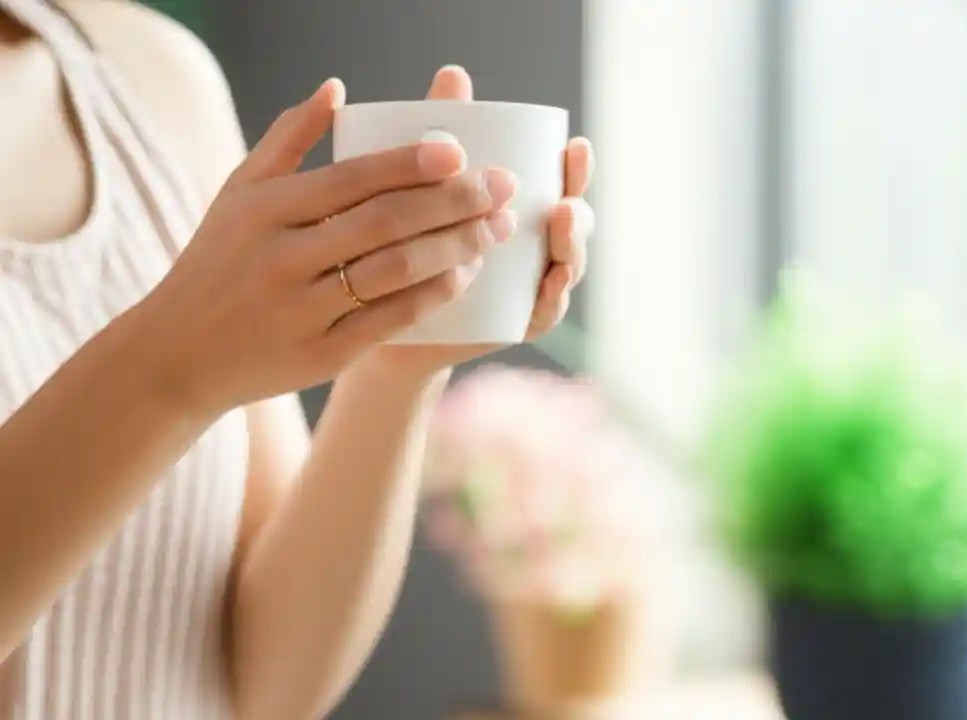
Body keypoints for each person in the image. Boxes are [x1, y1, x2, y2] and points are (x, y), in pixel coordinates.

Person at [0, 0, 595, 717]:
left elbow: (268, 687)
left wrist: (397, 358)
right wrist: (169, 369)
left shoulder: (150, 76)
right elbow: (174, 370)